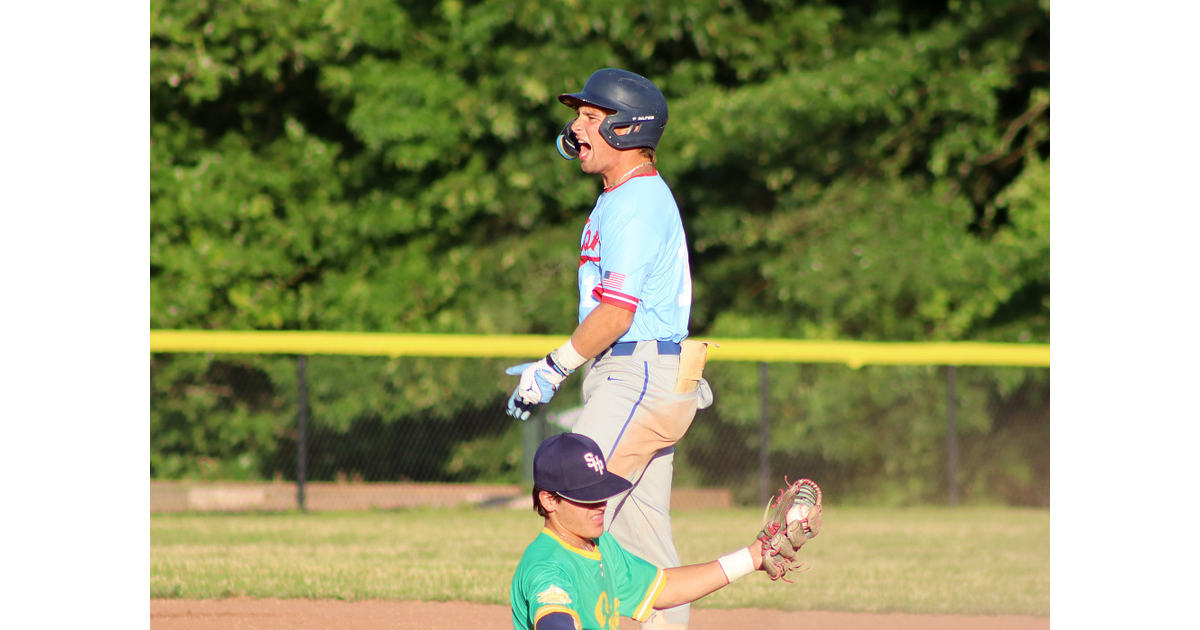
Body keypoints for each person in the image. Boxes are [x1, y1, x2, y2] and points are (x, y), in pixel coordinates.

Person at [504, 68, 712, 628]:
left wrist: (552, 368)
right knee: (640, 545)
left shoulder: (638, 200)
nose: (576, 127)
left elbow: (617, 313)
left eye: (592, 117)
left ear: (627, 128)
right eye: (579, 116)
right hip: (645, 373)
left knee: (572, 504)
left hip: (636, 373)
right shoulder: (623, 197)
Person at [511, 433, 768, 630]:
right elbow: (554, 620)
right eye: (586, 497)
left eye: (601, 492)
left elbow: (663, 588)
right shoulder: (548, 566)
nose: (601, 504)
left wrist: (751, 557)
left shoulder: (599, 545)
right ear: (548, 500)